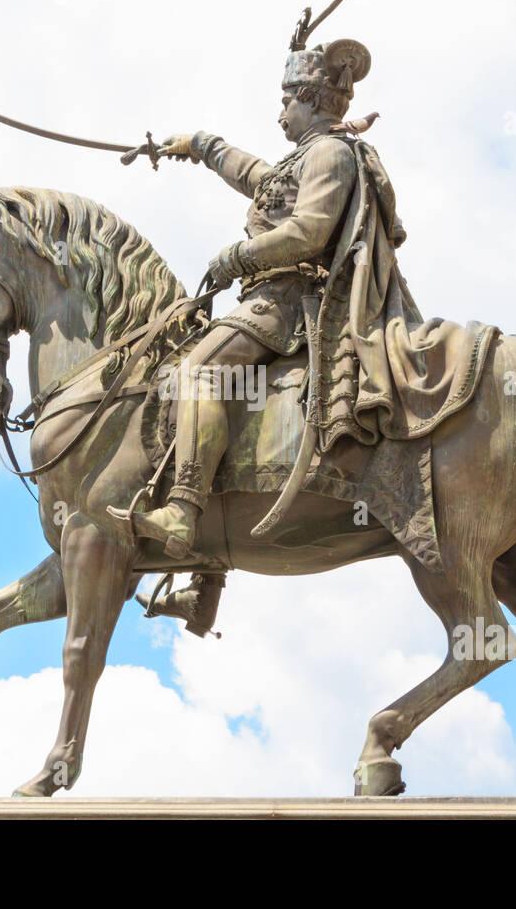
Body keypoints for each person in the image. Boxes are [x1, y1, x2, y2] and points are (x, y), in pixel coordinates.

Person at [109, 37, 387, 635]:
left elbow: (310, 231)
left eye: (286, 101)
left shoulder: (331, 155)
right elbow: (248, 171)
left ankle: (182, 513)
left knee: (198, 374)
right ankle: (205, 585)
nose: (278, 113)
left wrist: (238, 254)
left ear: (312, 100)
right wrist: (189, 145)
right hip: (267, 301)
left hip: (287, 305)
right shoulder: (300, 158)